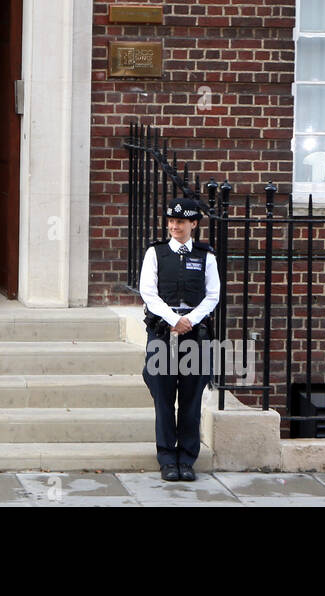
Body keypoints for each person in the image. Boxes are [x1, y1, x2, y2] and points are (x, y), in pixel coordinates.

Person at [138, 196, 220, 482]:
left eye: (181, 222)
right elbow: (148, 292)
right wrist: (174, 320)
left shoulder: (205, 255)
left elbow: (213, 295)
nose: (175, 226)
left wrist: (190, 320)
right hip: (164, 332)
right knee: (163, 396)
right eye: (171, 221)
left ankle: (186, 459)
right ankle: (166, 459)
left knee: (190, 398)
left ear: (193, 224)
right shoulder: (155, 253)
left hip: (194, 334)